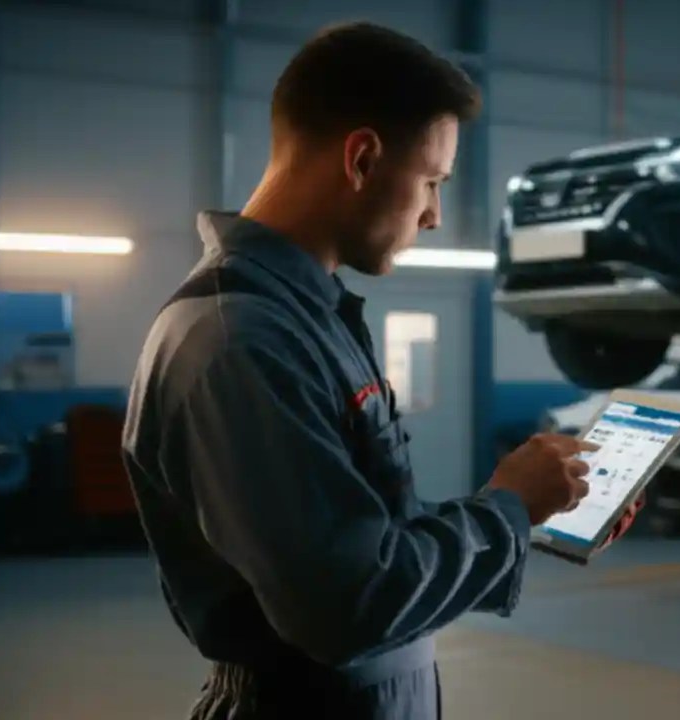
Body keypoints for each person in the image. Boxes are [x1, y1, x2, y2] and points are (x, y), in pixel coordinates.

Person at [122, 22, 639, 719]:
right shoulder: (238, 341)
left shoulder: (308, 319)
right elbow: (347, 604)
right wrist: (507, 509)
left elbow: (372, 539)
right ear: (362, 158)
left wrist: (530, 511)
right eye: (432, 182)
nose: (433, 216)